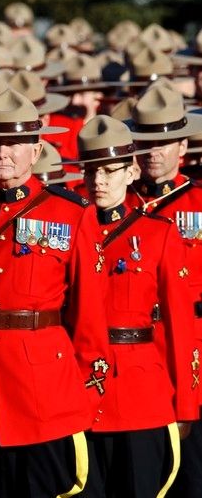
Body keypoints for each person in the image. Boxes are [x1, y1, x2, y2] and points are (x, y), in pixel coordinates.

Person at [0, 89, 110, 497]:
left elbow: (89, 315)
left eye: (13, 143)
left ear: (37, 149)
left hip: (44, 391)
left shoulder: (70, 213)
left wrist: (83, 393)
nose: (1, 153)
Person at [63, 115, 196, 497]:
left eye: (108, 170)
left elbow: (180, 325)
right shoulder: (66, 230)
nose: (98, 181)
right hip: (80, 393)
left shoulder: (158, 234)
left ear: (131, 171)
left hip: (139, 396)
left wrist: (185, 405)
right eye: (90, 171)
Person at [119, 86, 202, 498]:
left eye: (164, 142)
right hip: (135, 359)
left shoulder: (200, 200)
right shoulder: (117, 204)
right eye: (145, 143)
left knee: (193, 476)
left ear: (183, 144)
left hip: (193, 353)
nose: (153, 153)